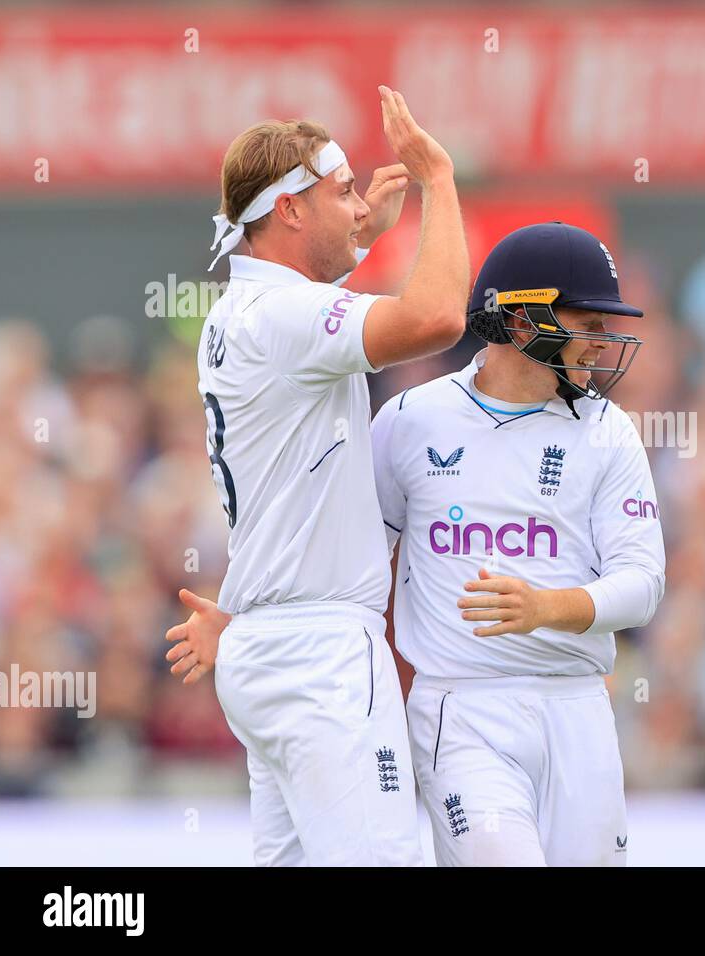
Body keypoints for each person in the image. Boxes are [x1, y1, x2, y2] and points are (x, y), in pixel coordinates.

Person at [164, 86, 469, 866]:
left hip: (269, 648)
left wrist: (357, 246)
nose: (361, 209)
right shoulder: (283, 320)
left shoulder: (245, 313)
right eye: (341, 195)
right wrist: (439, 180)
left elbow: (309, 315)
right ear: (291, 210)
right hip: (322, 659)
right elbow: (437, 318)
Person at [373, 221, 665, 865]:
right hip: (461, 707)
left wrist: (546, 607)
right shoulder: (408, 419)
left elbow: (643, 584)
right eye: (586, 325)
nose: (601, 344)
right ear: (525, 322)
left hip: (579, 709)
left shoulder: (609, 432)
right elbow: (357, 564)